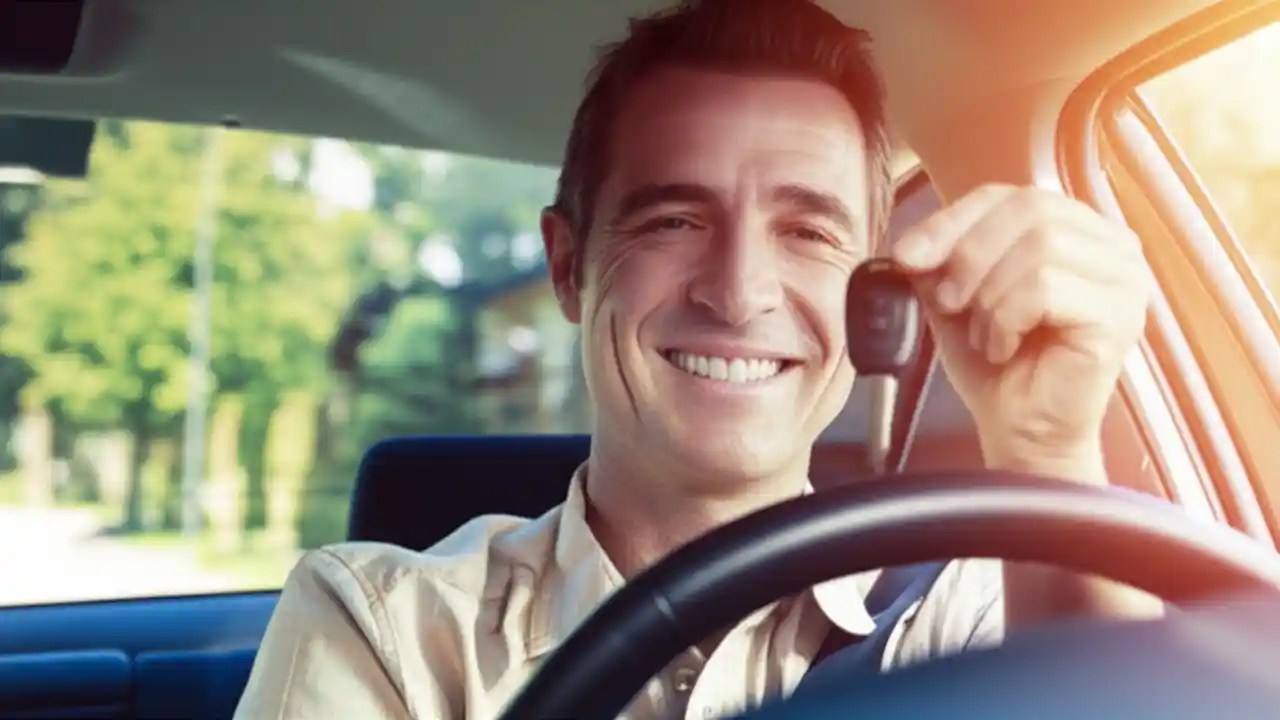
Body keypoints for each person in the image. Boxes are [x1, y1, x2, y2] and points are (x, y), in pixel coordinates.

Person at [235, 0, 1159, 717]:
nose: (739, 291)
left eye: (807, 231)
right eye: (675, 221)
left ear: (878, 286)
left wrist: (1046, 450)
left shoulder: (968, 616)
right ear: (569, 268)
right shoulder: (385, 626)